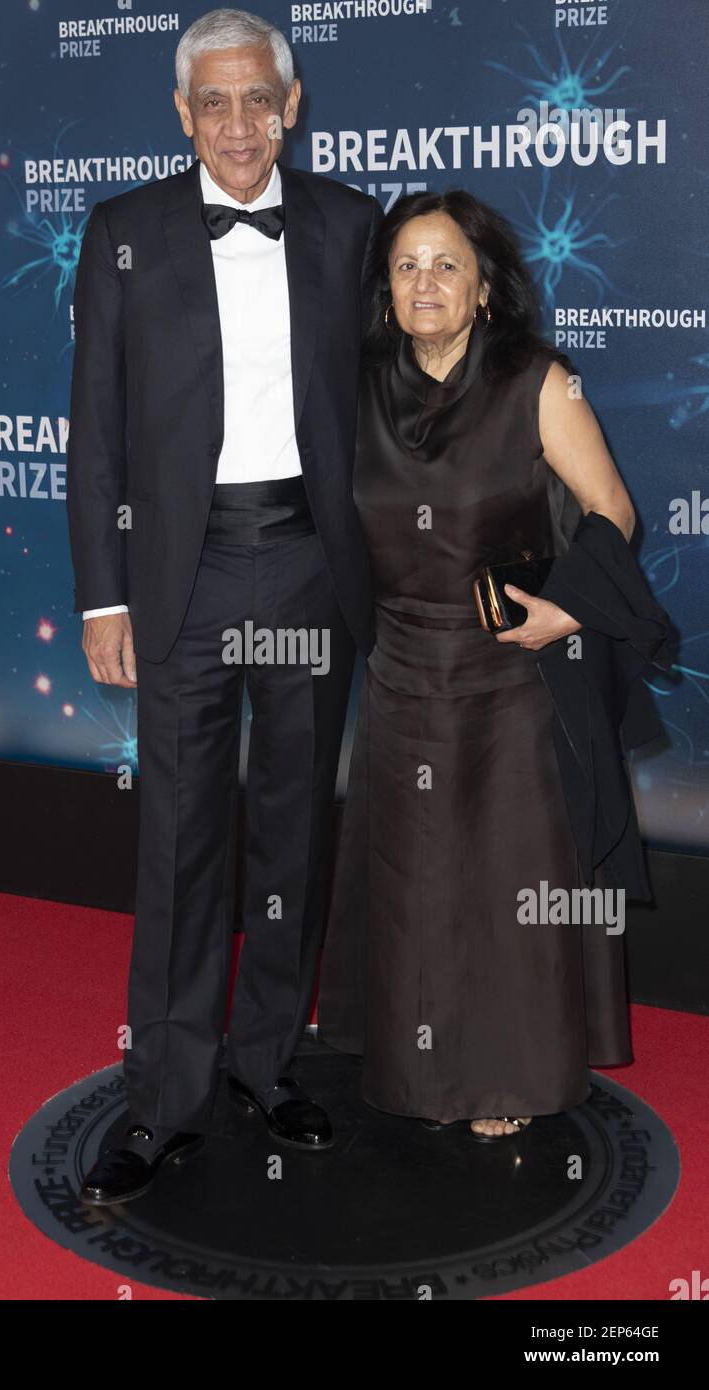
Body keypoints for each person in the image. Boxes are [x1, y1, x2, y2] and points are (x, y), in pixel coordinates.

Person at [65, 9, 382, 1202]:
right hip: (181, 580)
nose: (239, 125)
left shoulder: (353, 228)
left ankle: (265, 1059)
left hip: (309, 566)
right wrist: (104, 593)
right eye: (216, 102)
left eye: (260, 100)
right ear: (182, 114)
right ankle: (166, 1094)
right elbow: (95, 432)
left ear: (290, 106)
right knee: (183, 839)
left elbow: (397, 403)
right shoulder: (126, 232)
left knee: (294, 829)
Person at [317, 189, 657, 1141]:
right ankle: (408, 1055)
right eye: (407, 266)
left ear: (486, 288)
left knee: (502, 877)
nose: (426, 284)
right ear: (386, 287)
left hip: (507, 672)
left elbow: (613, 512)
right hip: (396, 666)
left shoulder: (538, 380)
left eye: (447, 266)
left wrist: (571, 608)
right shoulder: (355, 382)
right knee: (414, 873)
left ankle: (501, 1071)